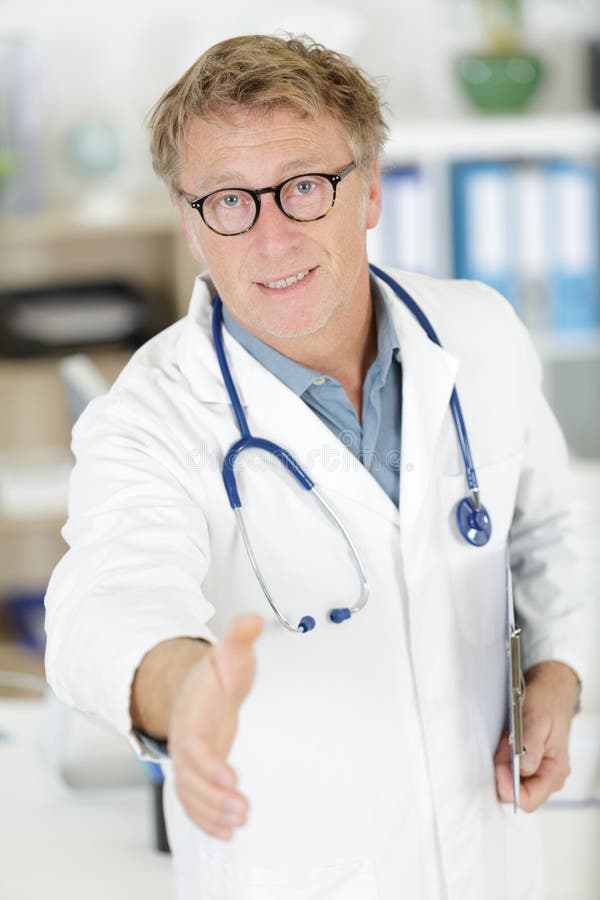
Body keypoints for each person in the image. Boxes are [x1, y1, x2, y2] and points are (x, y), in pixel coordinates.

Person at [45, 33, 584, 900]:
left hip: (492, 864)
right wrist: (183, 695)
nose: (269, 238)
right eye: (228, 201)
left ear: (369, 190)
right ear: (189, 223)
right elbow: (103, 601)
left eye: (303, 187)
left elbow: (551, 526)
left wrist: (558, 672)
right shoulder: (147, 420)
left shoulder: (479, 333)